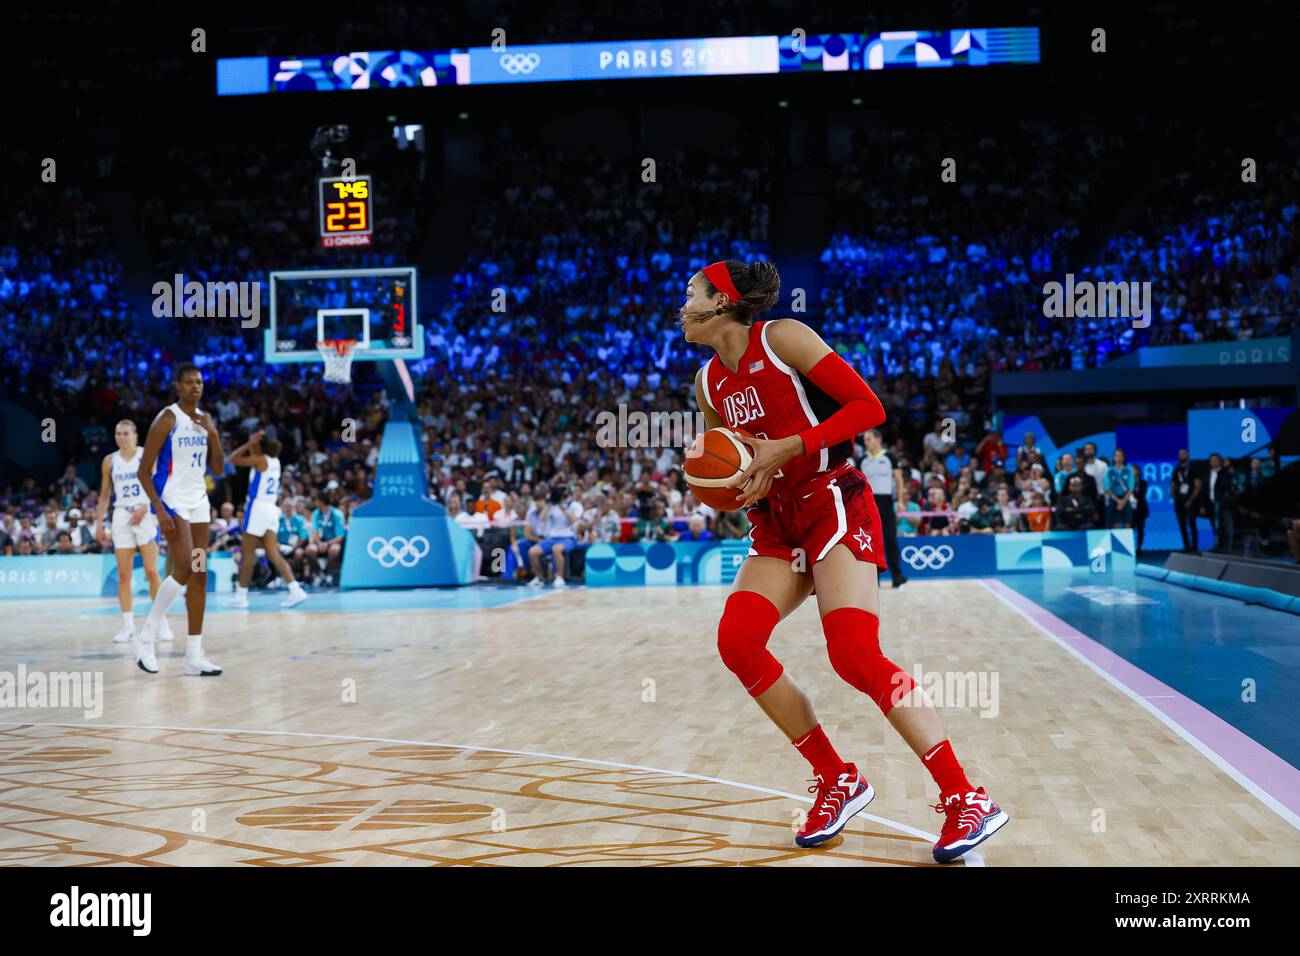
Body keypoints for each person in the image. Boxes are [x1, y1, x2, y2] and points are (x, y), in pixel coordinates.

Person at [682, 258, 1006, 863]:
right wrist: (739, 484)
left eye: (693, 293)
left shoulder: (783, 338)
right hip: (777, 521)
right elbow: (738, 462)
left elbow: (868, 408)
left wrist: (788, 446)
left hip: (832, 500)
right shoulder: (707, 383)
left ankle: (966, 797)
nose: (682, 304)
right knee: (738, 643)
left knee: (855, 654)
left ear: (723, 302)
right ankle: (838, 778)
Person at [133, 362, 224, 676]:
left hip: (199, 503)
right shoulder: (167, 418)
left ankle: (194, 657)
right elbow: (143, 471)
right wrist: (158, 509)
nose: (195, 386)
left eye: (198, 381)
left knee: (199, 575)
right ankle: (146, 636)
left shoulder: (206, 419)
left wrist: (212, 433)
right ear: (178, 387)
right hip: (172, 502)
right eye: (188, 382)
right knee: (184, 567)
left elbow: (220, 468)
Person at [96, 419, 169, 645]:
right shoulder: (110, 461)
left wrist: (146, 507)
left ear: (135, 435)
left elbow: (161, 486)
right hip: (121, 516)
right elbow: (105, 495)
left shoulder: (147, 456)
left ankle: (160, 622)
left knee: (151, 571)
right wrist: (99, 524)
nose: (121, 437)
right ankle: (128, 626)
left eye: (126, 433)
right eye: (118, 434)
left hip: (146, 514)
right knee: (124, 574)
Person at [228, 433, 308, 609]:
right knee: (273, 553)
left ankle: (241, 596)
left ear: (259, 446)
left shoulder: (260, 460)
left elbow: (232, 459)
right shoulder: (275, 461)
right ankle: (296, 590)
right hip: (271, 509)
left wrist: (248, 443)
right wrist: (254, 444)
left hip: (257, 508)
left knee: (247, 553)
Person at [859, 429, 906, 587]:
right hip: (868, 503)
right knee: (871, 542)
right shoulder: (862, 460)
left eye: (869, 439)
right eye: (865, 440)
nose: (866, 442)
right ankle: (874, 579)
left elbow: (899, 480)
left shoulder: (890, 457)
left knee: (891, 540)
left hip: (886, 502)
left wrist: (900, 501)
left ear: (878, 440)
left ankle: (897, 577)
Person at [1170, 449, 1200, 551]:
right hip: (1179, 501)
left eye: (1184, 454)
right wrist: (1173, 496)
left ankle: (1194, 546)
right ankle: (1186, 546)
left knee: (1192, 524)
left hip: (1190, 500)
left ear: (1187, 455)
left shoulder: (1193, 468)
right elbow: (1173, 484)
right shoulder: (1176, 469)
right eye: (1180, 454)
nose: (1182, 456)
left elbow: (1198, 486)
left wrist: (1191, 500)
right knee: (1182, 525)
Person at [1103, 448, 1138, 529]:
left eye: (1120, 456)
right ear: (1113, 457)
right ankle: (1116, 541)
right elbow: (1107, 488)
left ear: (1123, 458)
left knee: (1128, 524)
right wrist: (1118, 501)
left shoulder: (1128, 470)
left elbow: (1131, 488)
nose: (1118, 458)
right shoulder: (1109, 470)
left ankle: (1127, 541)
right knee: (1115, 525)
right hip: (1114, 499)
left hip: (1126, 499)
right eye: (1116, 456)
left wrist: (1123, 501)